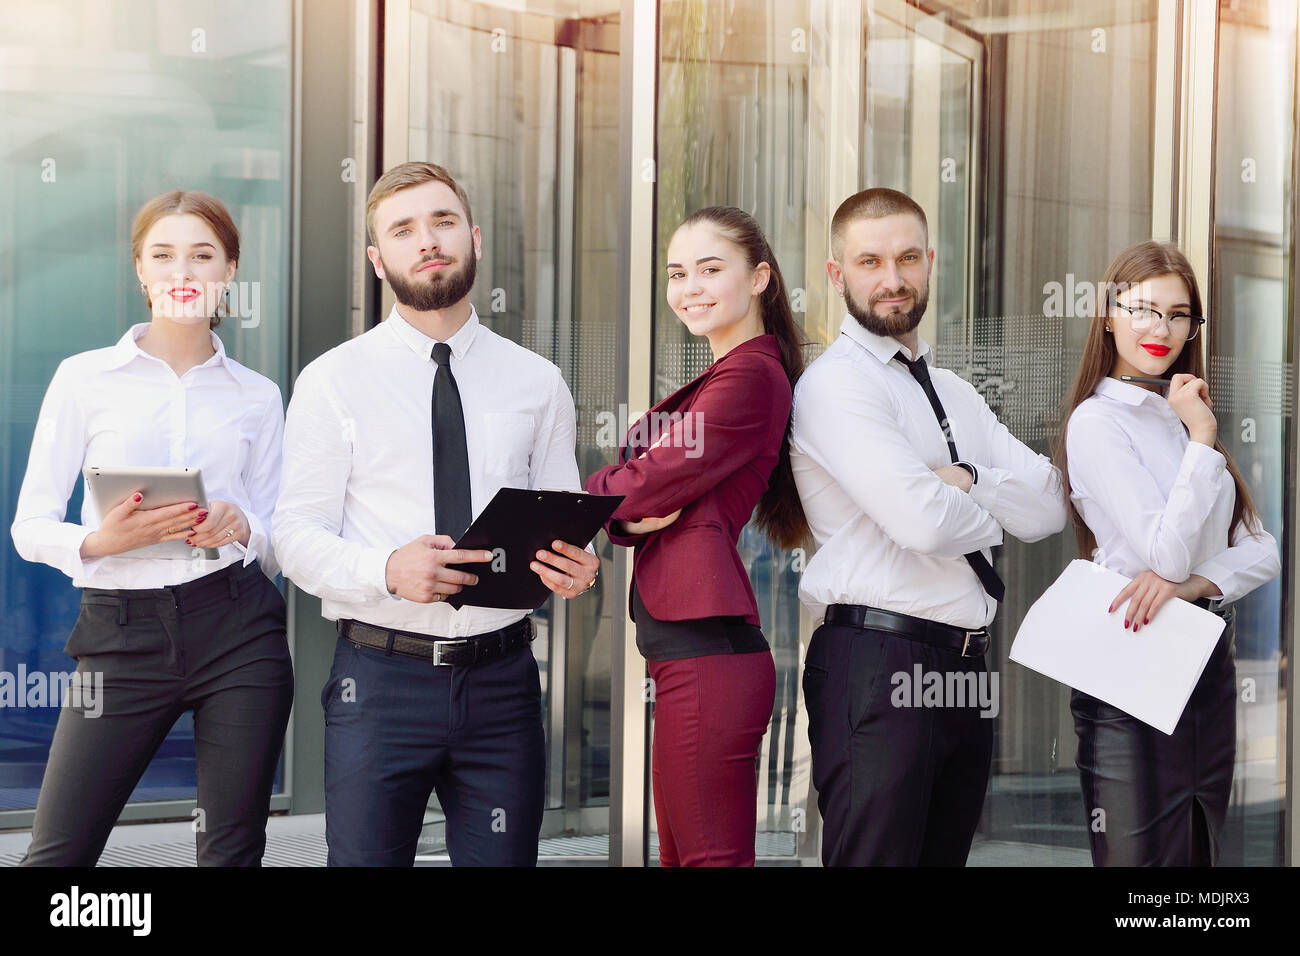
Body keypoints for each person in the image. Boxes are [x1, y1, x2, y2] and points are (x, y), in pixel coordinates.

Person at [273, 161, 599, 867]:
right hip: (379, 683)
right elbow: (293, 536)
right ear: (377, 258)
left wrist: (574, 566)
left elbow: (559, 515)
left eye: (443, 221)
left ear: (474, 238)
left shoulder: (536, 382)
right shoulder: (332, 381)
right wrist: (386, 569)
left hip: (504, 684)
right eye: (403, 229)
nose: (427, 240)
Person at [11, 190, 293, 866]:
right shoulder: (83, 380)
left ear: (230, 271)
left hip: (237, 628)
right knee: (58, 853)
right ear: (140, 271)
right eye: (163, 256)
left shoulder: (257, 395)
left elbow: (282, 532)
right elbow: (30, 525)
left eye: (203, 255)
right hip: (121, 631)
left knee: (230, 853)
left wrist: (242, 524)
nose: (183, 272)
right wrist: (101, 542)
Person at [790, 187, 1066, 866]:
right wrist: (975, 501)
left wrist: (969, 477)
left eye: (908, 257)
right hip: (878, 663)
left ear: (931, 261)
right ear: (837, 274)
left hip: (964, 663)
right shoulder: (837, 387)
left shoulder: (957, 395)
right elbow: (923, 523)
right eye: (870, 261)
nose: (893, 279)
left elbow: (1052, 506)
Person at [585, 205, 807, 867]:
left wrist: (606, 497)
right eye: (679, 273)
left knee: (709, 860)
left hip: (711, 656)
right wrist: (625, 506)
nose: (691, 288)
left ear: (760, 276)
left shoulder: (749, 376)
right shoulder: (723, 378)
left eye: (711, 269)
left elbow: (650, 481)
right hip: (690, 653)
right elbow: (644, 491)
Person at [1055, 240, 1280, 866]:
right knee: (1143, 870)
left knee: (1199, 863)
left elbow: (1263, 551)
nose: (1161, 328)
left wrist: (1192, 587)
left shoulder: (1178, 412)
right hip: (1130, 667)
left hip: (1207, 662)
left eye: (1178, 314)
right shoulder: (1097, 422)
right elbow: (1166, 551)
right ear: (1108, 313)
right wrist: (1203, 440)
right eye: (1143, 309)